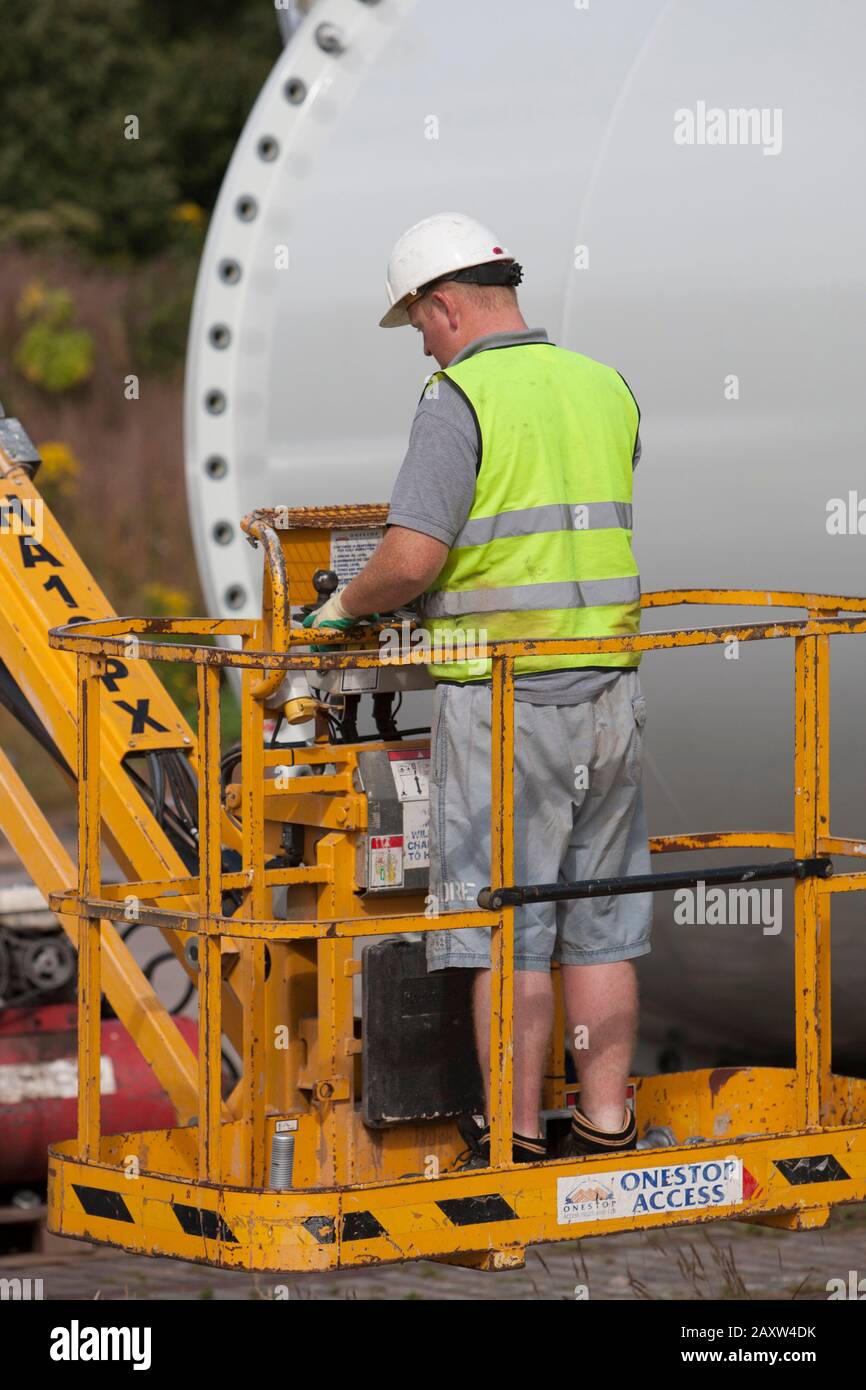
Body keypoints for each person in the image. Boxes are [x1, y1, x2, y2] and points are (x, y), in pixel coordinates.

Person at [304, 212, 652, 1167]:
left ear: (446, 305)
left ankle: (516, 1135)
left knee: (508, 925)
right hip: (612, 694)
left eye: (418, 321)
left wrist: (342, 610)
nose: (420, 340)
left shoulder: (457, 398)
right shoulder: (604, 385)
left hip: (507, 701)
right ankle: (607, 1122)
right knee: (603, 919)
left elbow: (414, 555)